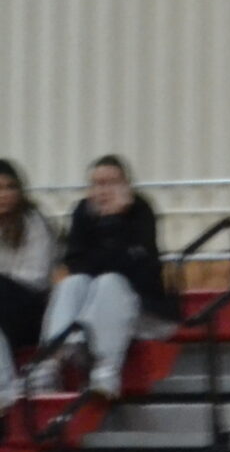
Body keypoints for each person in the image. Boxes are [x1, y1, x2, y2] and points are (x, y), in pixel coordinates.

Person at [32, 155, 170, 403]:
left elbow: (139, 270)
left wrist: (113, 221)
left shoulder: (141, 211)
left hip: (142, 306)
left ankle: (106, 369)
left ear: (126, 185)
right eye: (96, 184)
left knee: (110, 282)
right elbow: (77, 265)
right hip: (93, 303)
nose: (102, 190)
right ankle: (50, 362)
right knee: (71, 284)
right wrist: (109, 238)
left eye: (110, 183)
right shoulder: (82, 212)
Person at [0, 158, 57, 359]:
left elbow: (38, 278)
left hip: (30, 309)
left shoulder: (33, 223)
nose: (4, 195)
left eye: (10, 188)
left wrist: (5, 278)